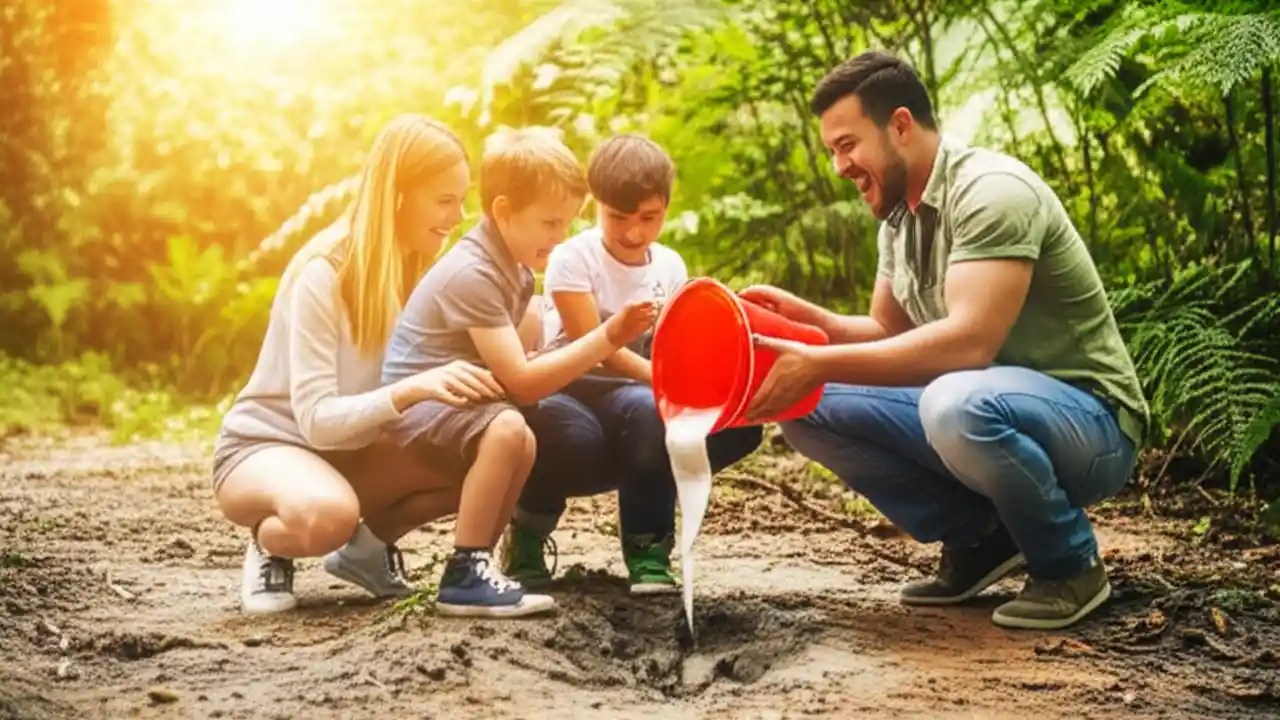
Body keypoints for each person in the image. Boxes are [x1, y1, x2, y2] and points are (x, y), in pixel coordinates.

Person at [742, 52, 1150, 630]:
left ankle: (1069, 566)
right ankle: (983, 538)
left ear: (901, 125)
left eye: (847, 144)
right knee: (810, 406)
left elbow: (968, 345)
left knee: (953, 400)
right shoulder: (899, 216)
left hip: (1091, 424)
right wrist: (820, 326)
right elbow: (890, 333)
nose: (839, 166)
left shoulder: (992, 191)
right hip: (979, 410)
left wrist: (819, 358)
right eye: (832, 150)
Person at [213, 115, 508, 615]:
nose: (457, 215)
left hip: (352, 448)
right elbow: (316, 421)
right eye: (443, 200)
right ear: (397, 196)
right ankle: (272, 541)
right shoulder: (324, 272)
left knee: (482, 459)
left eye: (461, 200)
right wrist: (411, 390)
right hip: (270, 444)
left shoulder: (423, 269)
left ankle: (365, 554)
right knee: (327, 516)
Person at [382, 127, 658, 616]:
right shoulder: (475, 272)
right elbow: (523, 383)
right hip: (421, 404)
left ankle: (480, 563)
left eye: (568, 223)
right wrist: (608, 336)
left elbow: (516, 354)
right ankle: (464, 570)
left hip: (462, 396)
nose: (562, 237)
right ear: (503, 211)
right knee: (510, 427)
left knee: (523, 440)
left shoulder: (513, 264)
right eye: (550, 223)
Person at [499, 134, 763, 595]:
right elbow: (593, 344)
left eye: (649, 218)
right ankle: (526, 530)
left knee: (651, 416)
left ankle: (649, 548)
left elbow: (670, 343)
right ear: (596, 206)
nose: (633, 233)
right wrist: (664, 382)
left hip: (633, 393)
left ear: (665, 208)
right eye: (618, 217)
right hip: (571, 380)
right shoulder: (572, 257)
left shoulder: (669, 266)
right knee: (580, 428)